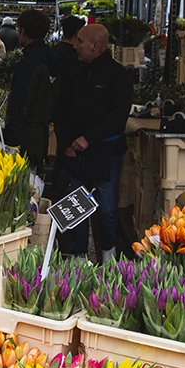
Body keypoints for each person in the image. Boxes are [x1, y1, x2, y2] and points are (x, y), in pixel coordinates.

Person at [53, 23, 133, 263]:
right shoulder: (73, 71)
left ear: (96, 45)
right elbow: (61, 110)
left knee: (108, 209)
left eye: (80, 41)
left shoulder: (118, 75)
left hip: (107, 153)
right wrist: (66, 143)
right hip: (76, 154)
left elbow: (119, 116)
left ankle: (108, 253)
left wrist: (89, 138)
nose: (75, 46)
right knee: (78, 206)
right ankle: (79, 256)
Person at [3, 10, 62, 176]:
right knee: (35, 178)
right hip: (41, 133)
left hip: (26, 137)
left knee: (23, 181)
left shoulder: (30, 64)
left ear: (22, 31)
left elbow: (20, 105)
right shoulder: (51, 59)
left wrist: (9, 141)